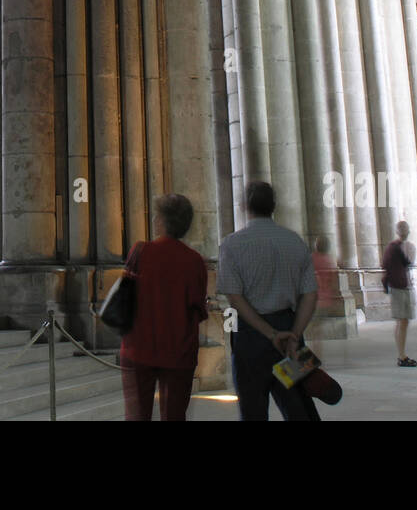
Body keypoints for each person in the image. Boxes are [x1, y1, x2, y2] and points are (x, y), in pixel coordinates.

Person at [217, 181, 320, 421]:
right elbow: (310, 295)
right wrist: (293, 334)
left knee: (253, 410)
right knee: (299, 408)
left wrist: (271, 334)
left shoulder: (231, 244)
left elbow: (235, 298)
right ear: (274, 206)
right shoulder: (295, 241)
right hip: (291, 332)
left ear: (244, 206)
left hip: (251, 336)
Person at [119, 194, 208, 422]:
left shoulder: (140, 252)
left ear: (160, 221)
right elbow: (197, 310)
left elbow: (125, 297)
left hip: (138, 348)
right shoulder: (194, 261)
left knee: (137, 417)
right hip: (179, 352)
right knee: (175, 416)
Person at [382, 221, 417, 366]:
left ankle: (401, 354)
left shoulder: (396, 247)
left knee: (402, 321)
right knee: (402, 321)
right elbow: (408, 264)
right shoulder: (396, 248)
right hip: (400, 287)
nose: (405, 232)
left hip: (402, 286)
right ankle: (401, 356)